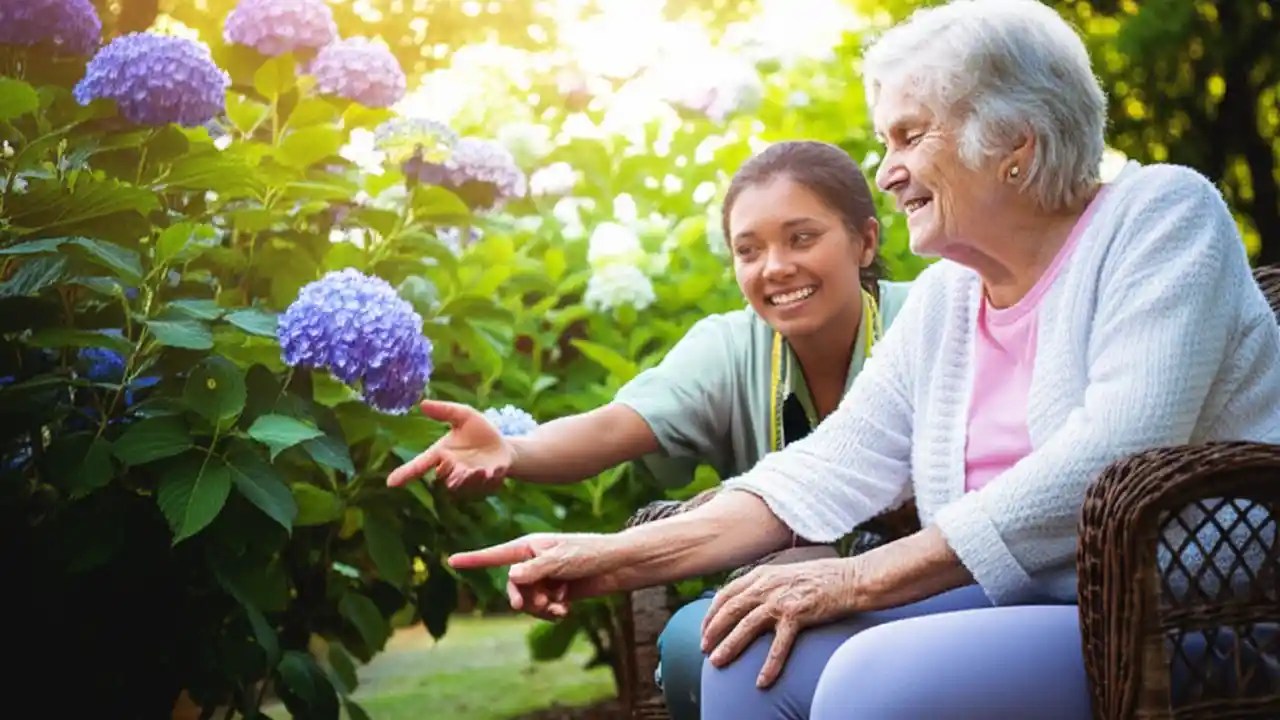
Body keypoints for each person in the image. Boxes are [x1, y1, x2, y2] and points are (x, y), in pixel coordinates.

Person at [443, 1, 1280, 718]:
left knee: (869, 683)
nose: (887, 173)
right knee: (743, 655)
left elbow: (1112, 453)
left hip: (1179, 617)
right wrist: (604, 559)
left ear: (1014, 140)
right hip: (1011, 603)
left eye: (910, 137)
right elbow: (825, 467)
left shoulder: (1162, 216)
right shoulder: (952, 295)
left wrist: (865, 577)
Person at [387, 140, 914, 718]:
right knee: (700, 645)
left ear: (866, 241)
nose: (775, 267)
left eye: (801, 238)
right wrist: (512, 449)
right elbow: (615, 427)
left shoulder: (923, 320)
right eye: (748, 249)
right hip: (791, 585)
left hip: (927, 586)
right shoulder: (732, 347)